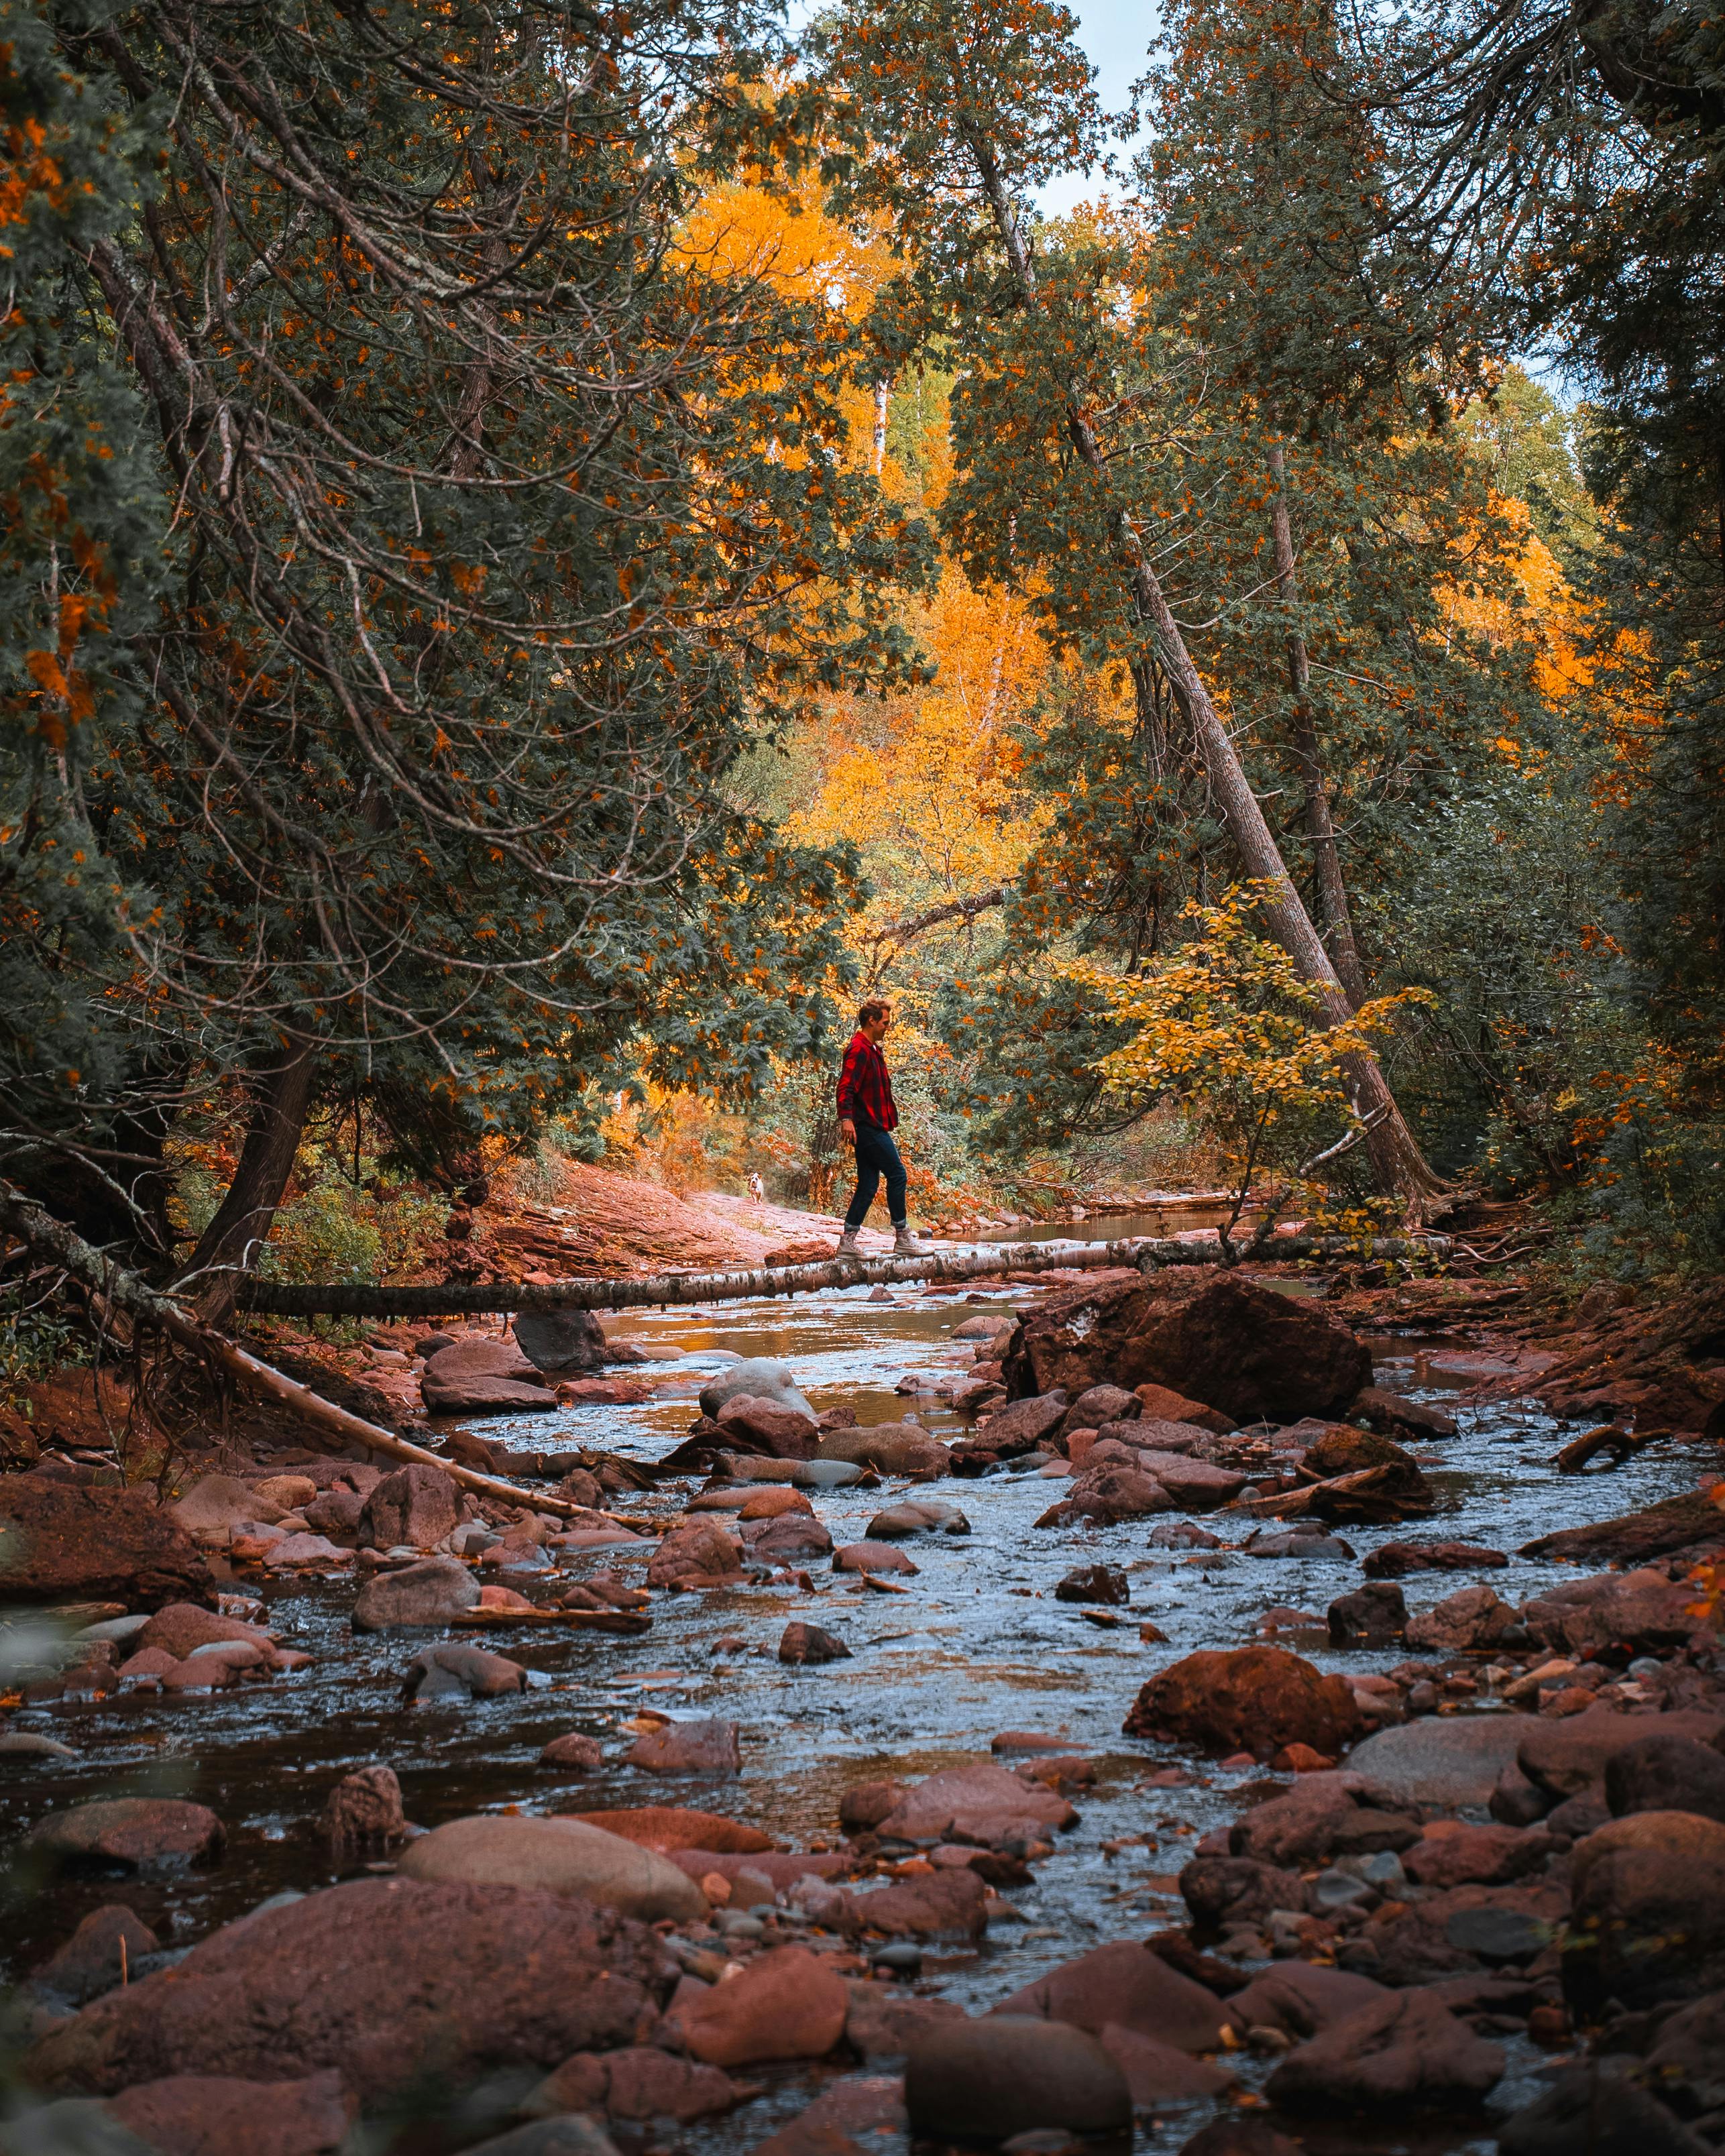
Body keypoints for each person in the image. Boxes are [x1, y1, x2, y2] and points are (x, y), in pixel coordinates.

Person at [834, 998, 924, 1255]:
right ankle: (903, 1237)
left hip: (872, 1125)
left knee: (868, 1185)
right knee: (897, 1174)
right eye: (885, 1022)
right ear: (872, 1020)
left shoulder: (872, 1049)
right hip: (867, 1127)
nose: (888, 1026)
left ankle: (848, 1243)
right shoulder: (859, 1049)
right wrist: (846, 1119)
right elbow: (846, 1086)